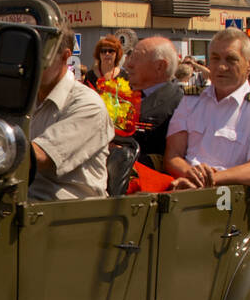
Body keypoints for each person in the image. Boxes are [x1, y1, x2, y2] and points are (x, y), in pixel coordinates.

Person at [163, 28, 250, 191]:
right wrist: (191, 174)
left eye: (231, 60)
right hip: (185, 188)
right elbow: (173, 156)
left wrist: (209, 180)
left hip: (228, 199)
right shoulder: (191, 100)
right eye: (215, 59)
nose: (221, 67)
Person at [28, 24, 111, 200]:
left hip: (68, 214)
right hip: (25, 203)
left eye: (41, 58)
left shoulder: (88, 105)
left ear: (65, 57)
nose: (31, 65)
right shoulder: (25, 99)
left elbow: (39, 157)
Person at [118, 37, 183, 158]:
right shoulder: (120, 94)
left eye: (137, 58)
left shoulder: (179, 102)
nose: (129, 65)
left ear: (159, 66)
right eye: (131, 57)